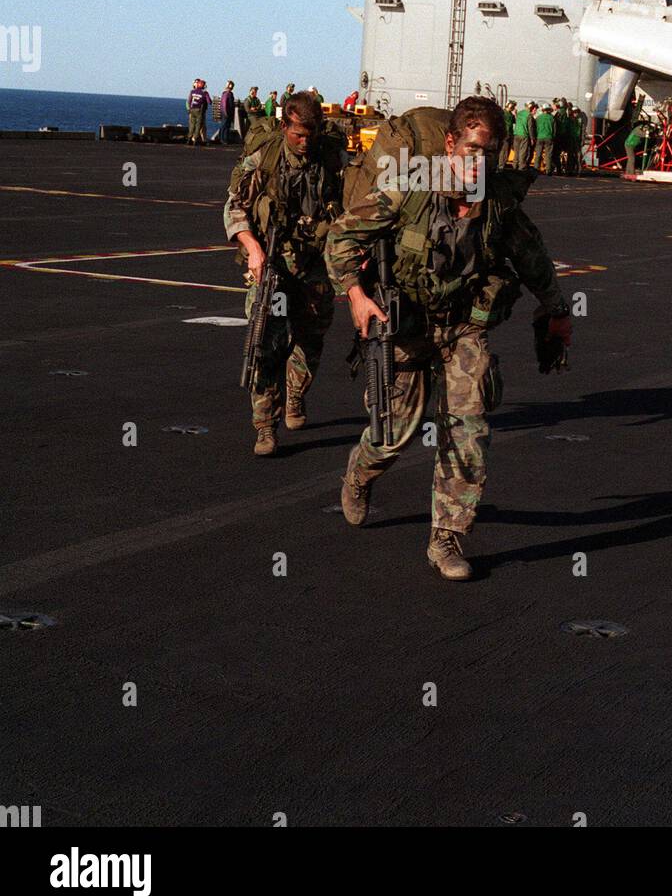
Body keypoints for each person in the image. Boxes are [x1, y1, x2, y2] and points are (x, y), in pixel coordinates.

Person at [325, 96, 573, 582]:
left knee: (468, 429)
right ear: (450, 144)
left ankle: (447, 537)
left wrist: (558, 312)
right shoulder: (407, 190)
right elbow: (341, 238)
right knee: (393, 434)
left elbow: (533, 259)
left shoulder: (497, 202)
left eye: (491, 152)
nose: (481, 162)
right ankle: (361, 471)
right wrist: (355, 296)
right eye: (474, 150)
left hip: (463, 326)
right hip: (408, 325)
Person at [225, 92, 347, 457]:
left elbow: (352, 205)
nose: (304, 142)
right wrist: (253, 248)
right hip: (273, 261)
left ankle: (296, 393)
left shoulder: (331, 157)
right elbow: (235, 205)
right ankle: (265, 426)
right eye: (297, 135)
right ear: (284, 127)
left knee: (311, 341)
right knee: (265, 343)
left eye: (311, 135)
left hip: (315, 262)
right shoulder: (265, 156)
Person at [186, 79, 212, 147]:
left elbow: (189, 101)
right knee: (198, 126)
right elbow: (209, 102)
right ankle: (195, 139)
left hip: (192, 110)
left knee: (192, 125)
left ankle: (189, 139)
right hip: (199, 110)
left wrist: (189, 109)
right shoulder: (204, 93)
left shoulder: (192, 91)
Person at [512, 101, 536, 170]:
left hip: (516, 134)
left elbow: (516, 121)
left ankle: (514, 167)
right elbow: (530, 127)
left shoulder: (519, 113)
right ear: (530, 107)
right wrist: (532, 138)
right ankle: (521, 168)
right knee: (523, 153)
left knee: (516, 152)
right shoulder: (529, 115)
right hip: (524, 135)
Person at [533, 104, 555, 174]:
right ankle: (548, 171)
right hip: (549, 138)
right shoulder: (552, 118)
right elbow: (554, 130)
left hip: (539, 137)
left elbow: (535, 128)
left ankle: (536, 169)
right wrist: (553, 137)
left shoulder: (538, 118)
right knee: (548, 155)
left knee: (538, 154)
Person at [218, 81, 236, 146]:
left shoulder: (227, 93)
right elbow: (225, 103)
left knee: (226, 126)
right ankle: (222, 139)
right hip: (226, 112)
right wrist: (226, 112)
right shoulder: (227, 94)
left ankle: (224, 139)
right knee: (224, 126)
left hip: (227, 112)